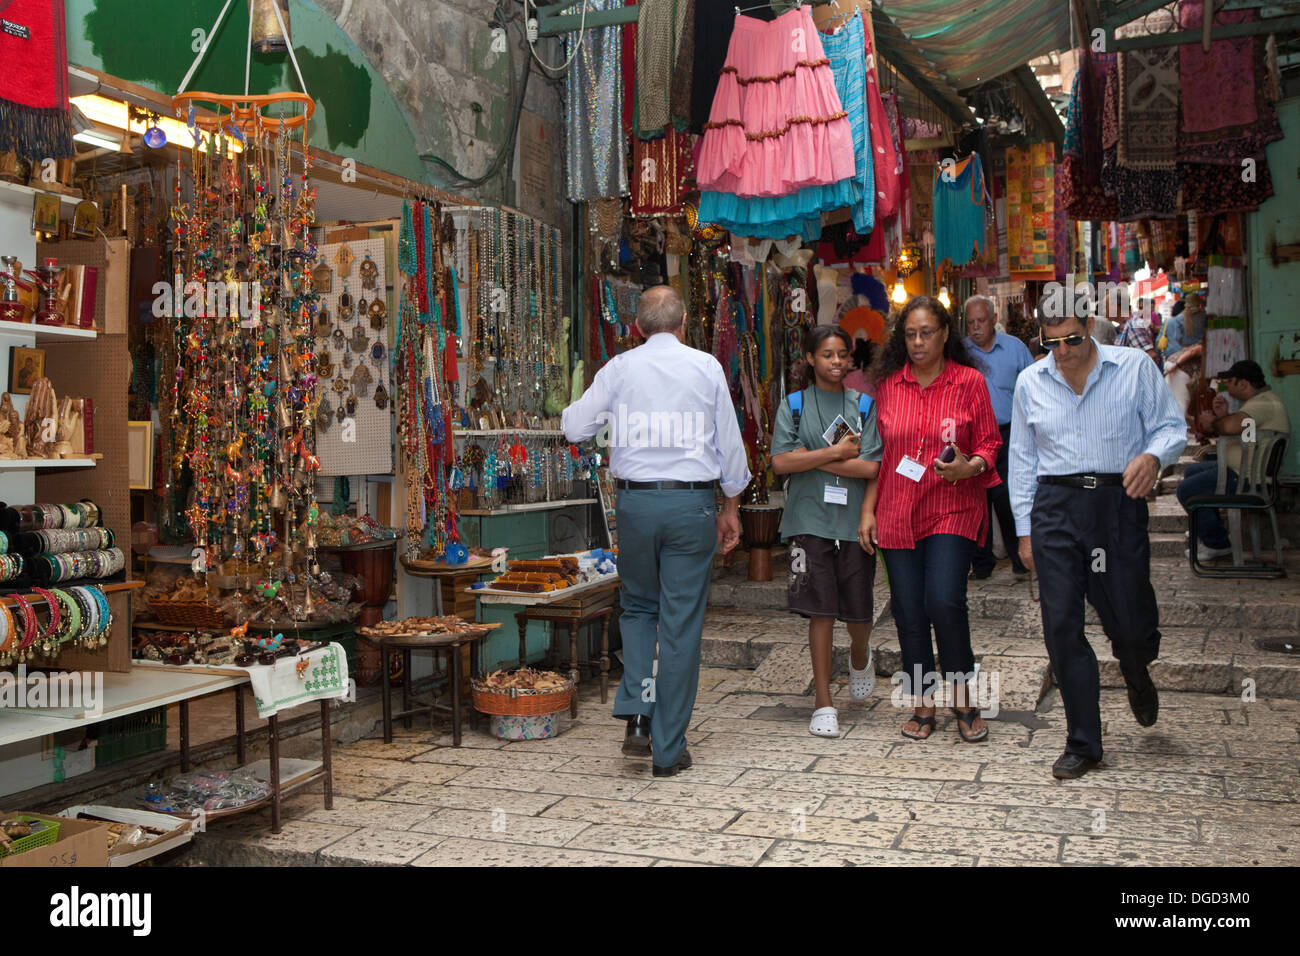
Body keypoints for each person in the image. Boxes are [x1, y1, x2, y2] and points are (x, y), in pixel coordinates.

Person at [561, 285, 751, 777]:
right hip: (691, 504)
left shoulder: (621, 368)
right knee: (680, 623)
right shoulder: (706, 367)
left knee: (640, 609)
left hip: (636, 504)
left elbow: (575, 427)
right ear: (684, 322)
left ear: (637, 328)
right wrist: (730, 506)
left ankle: (639, 719)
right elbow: (730, 448)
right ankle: (668, 751)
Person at [1009, 306, 1186, 780]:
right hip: (1055, 508)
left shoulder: (1133, 368)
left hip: (1115, 503)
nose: (1061, 353)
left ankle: (1135, 666)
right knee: (1062, 625)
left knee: (1128, 622)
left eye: (1070, 340)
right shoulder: (1030, 382)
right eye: (1051, 344)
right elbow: (1023, 461)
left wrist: (1153, 455)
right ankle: (1083, 742)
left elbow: (1171, 426)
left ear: (1089, 328)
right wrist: (1024, 533)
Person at [864, 295, 1002, 743]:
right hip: (898, 511)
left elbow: (989, 444)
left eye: (927, 333)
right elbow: (880, 457)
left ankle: (963, 696)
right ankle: (923, 700)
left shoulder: (969, 382)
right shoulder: (888, 385)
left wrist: (971, 468)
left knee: (943, 600)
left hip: (952, 507)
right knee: (908, 610)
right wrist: (868, 511)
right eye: (910, 334)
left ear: (945, 334)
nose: (918, 342)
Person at [772, 325, 882, 738]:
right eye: (826, 354)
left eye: (842, 354)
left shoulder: (864, 406)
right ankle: (823, 702)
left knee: (858, 612)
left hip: (854, 521)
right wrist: (836, 453)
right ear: (810, 360)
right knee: (820, 611)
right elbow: (780, 462)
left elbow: (872, 467)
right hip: (808, 520)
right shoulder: (795, 406)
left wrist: (811, 457)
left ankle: (859, 652)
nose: (835, 362)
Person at [1178, 359, 1291, 560]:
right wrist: (1225, 415)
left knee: (1186, 489)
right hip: (1244, 471)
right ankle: (1207, 527)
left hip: (1247, 479)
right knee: (1192, 472)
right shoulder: (1260, 403)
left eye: (1229, 381)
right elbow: (1247, 436)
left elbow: (1231, 427)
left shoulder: (1263, 403)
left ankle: (1217, 543)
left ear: (1244, 384)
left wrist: (1214, 422)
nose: (1226, 386)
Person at [963, 294, 1033, 582]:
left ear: (994, 319)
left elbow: (1033, 386)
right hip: (972, 437)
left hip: (1008, 434)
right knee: (978, 499)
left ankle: (1020, 560)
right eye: (971, 323)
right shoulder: (961, 352)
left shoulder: (1015, 348)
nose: (977, 327)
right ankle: (981, 564)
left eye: (981, 321)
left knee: (1006, 497)